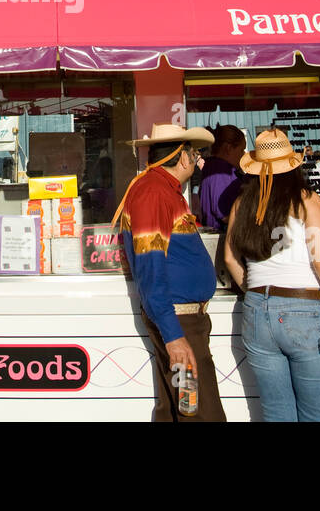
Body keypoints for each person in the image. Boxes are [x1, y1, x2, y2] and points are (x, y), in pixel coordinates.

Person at [223, 128, 320, 422]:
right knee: (318, 415)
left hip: (256, 310)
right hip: (304, 310)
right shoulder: (306, 199)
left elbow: (230, 258)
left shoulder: (241, 203)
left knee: (277, 415)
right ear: (292, 165)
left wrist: (256, 291)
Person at [115, 123, 224, 422]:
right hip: (180, 322)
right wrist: (174, 335)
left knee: (182, 409)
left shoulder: (162, 190)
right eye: (196, 153)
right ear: (183, 157)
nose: (199, 159)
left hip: (183, 321)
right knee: (199, 412)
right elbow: (150, 266)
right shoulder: (153, 192)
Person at [198, 125, 246, 231]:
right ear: (228, 148)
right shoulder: (222, 171)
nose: (244, 154)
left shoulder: (211, 167)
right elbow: (225, 214)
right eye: (241, 150)